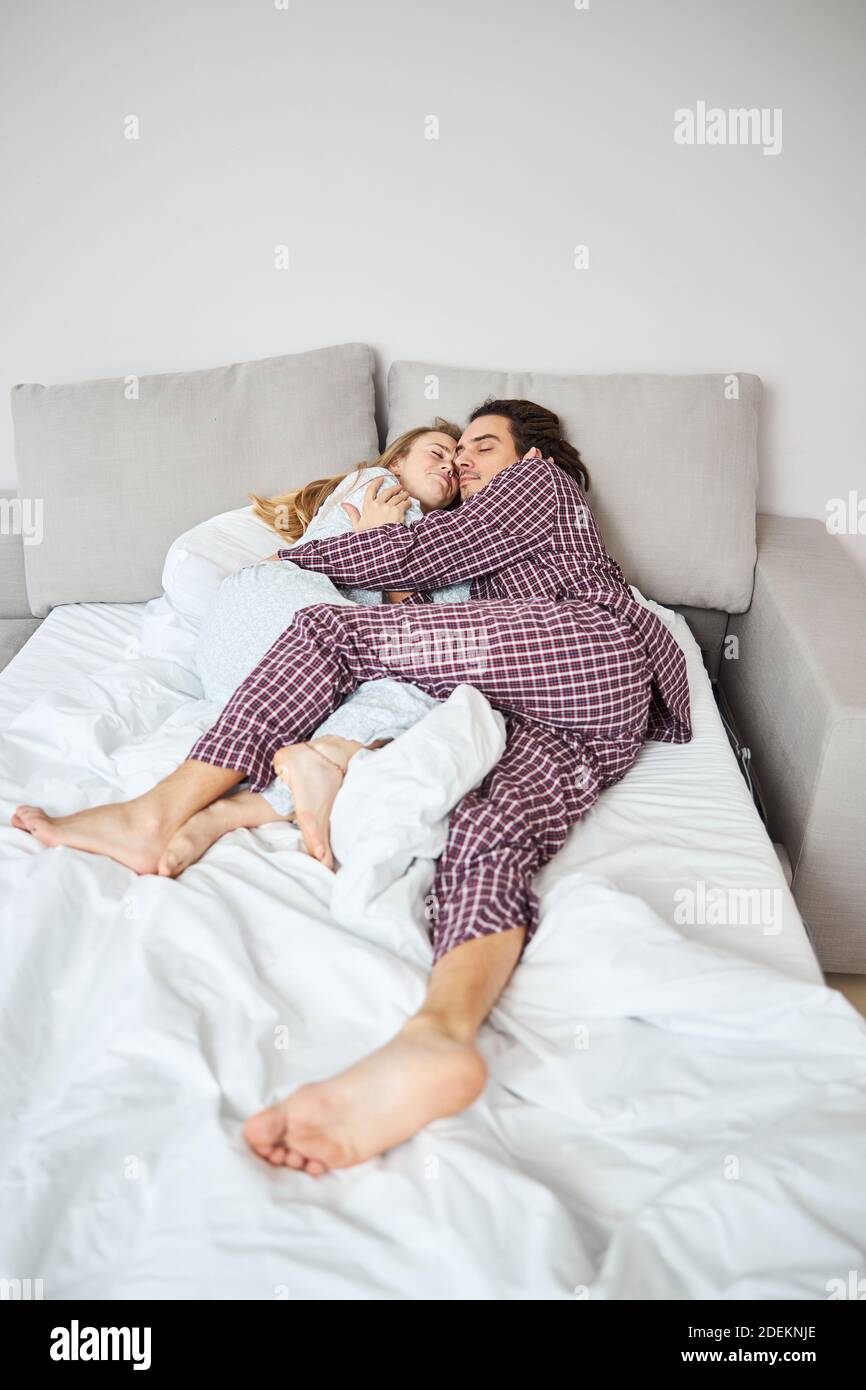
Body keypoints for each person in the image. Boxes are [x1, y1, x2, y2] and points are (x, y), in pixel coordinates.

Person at [13, 399, 692, 1177]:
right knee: (485, 831)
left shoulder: (539, 490)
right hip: (581, 717)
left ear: (532, 458)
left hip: (585, 648)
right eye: (458, 449)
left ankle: (152, 812)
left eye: (482, 445)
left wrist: (297, 563)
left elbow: (430, 550)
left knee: (326, 630)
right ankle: (439, 1035)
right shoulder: (489, 550)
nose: (465, 461)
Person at [162, 422, 470, 874]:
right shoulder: (381, 487)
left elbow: (419, 614)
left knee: (418, 698)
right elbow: (424, 617)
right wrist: (379, 544)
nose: (448, 467)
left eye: (455, 466)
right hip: (279, 610)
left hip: (243, 667)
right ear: (399, 460)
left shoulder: (441, 530)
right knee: (430, 685)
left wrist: (381, 554)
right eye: (437, 453)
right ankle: (229, 805)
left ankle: (237, 809)